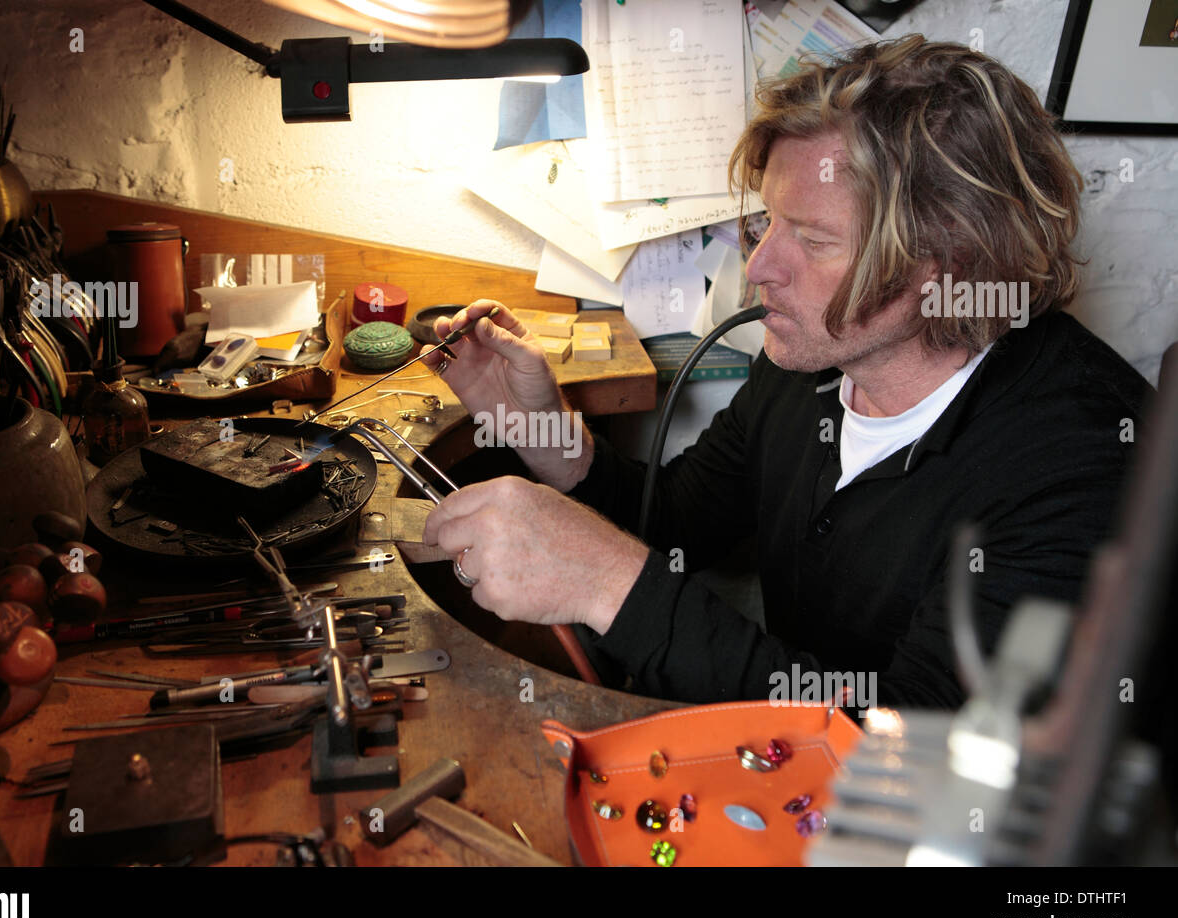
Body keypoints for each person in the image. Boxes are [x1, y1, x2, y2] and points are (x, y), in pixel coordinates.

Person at [419, 35, 1152, 709]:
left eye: (813, 238)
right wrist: (533, 424)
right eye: (766, 223)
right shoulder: (816, 360)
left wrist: (610, 583)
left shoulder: (1088, 469)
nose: (760, 267)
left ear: (948, 263)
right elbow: (674, 523)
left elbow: (907, 747)